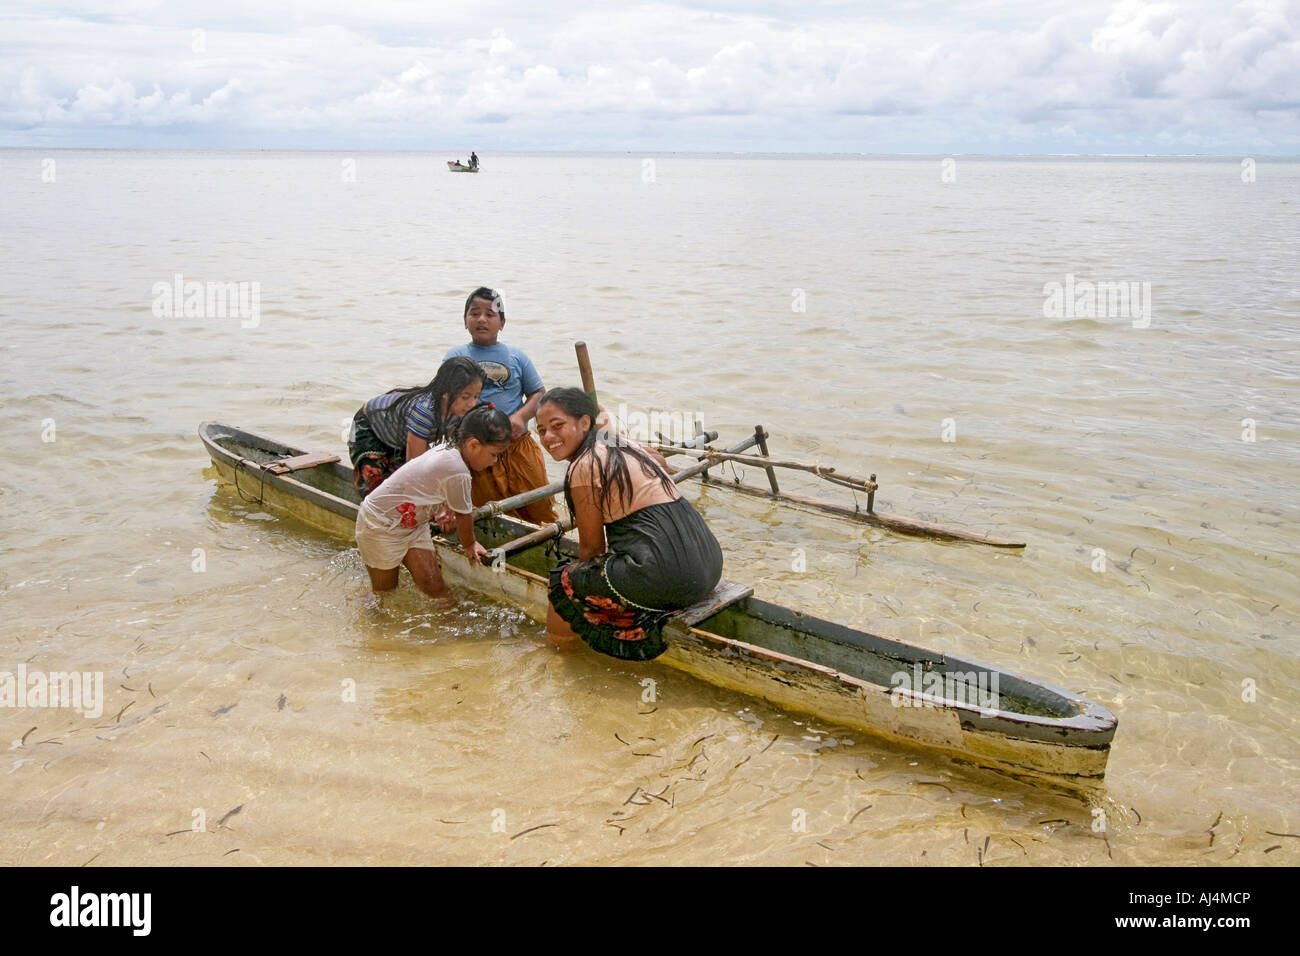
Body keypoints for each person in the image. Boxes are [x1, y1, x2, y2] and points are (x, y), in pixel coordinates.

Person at [535, 387, 723, 661]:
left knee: (563, 582)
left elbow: (591, 549)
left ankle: (556, 651)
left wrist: (588, 581)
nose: (548, 437)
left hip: (669, 577)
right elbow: (659, 462)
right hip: (709, 566)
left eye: (557, 426)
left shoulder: (584, 465)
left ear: (585, 423)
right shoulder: (629, 446)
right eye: (541, 431)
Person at [354, 403, 512, 598]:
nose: (494, 461)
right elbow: (464, 516)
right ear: (473, 445)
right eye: (494, 455)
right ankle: (372, 626)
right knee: (385, 594)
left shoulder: (451, 448)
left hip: (412, 526)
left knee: (436, 588)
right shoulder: (458, 471)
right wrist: (470, 545)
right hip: (380, 525)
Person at [444, 288, 558, 524]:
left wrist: (520, 417)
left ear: (502, 322)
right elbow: (445, 401)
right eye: (474, 313)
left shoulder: (517, 357)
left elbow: (538, 394)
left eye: (490, 314)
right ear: (465, 321)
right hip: (476, 450)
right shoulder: (455, 357)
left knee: (539, 509)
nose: (482, 319)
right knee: (484, 513)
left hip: (518, 447)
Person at [347, 357, 485, 497]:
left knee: (404, 480)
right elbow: (414, 465)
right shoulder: (424, 411)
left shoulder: (458, 411)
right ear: (446, 393)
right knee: (376, 485)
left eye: (476, 396)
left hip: (399, 436)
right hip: (370, 428)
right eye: (466, 397)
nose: (472, 404)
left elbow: (452, 452)